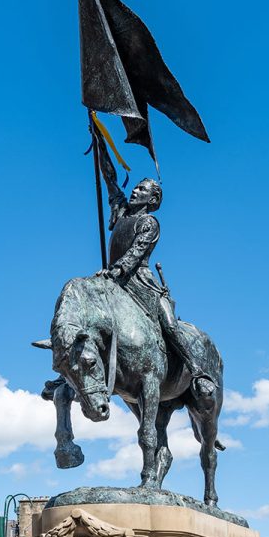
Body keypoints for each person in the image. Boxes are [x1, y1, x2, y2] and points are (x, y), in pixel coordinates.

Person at [93, 127, 211, 391]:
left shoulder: (149, 222)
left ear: (153, 198)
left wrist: (116, 270)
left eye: (142, 189)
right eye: (135, 187)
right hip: (113, 279)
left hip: (139, 282)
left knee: (169, 325)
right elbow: (109, 178)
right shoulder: (121, 212)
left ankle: (197, 371)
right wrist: (99, 141)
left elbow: (136, 252)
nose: (135, 191)